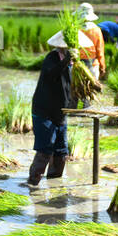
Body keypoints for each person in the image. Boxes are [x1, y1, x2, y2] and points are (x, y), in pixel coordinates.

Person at [28, 27, 89, 187]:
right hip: (44, 111)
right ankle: (33, 184)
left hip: (60, 113)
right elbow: (51, 74)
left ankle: (54, 185)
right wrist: (65, 60)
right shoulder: (52, 58)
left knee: (61, 150)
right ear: (63, 47)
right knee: (45, 149)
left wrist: (82, 102)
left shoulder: (73, 64)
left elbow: (72, 88)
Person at [76, 2, 105, 80]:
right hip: (92, 65)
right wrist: (102, 67)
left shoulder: (75, 29)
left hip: (77, 65)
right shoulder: (96, 30)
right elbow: (100, 51)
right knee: (92, 90)